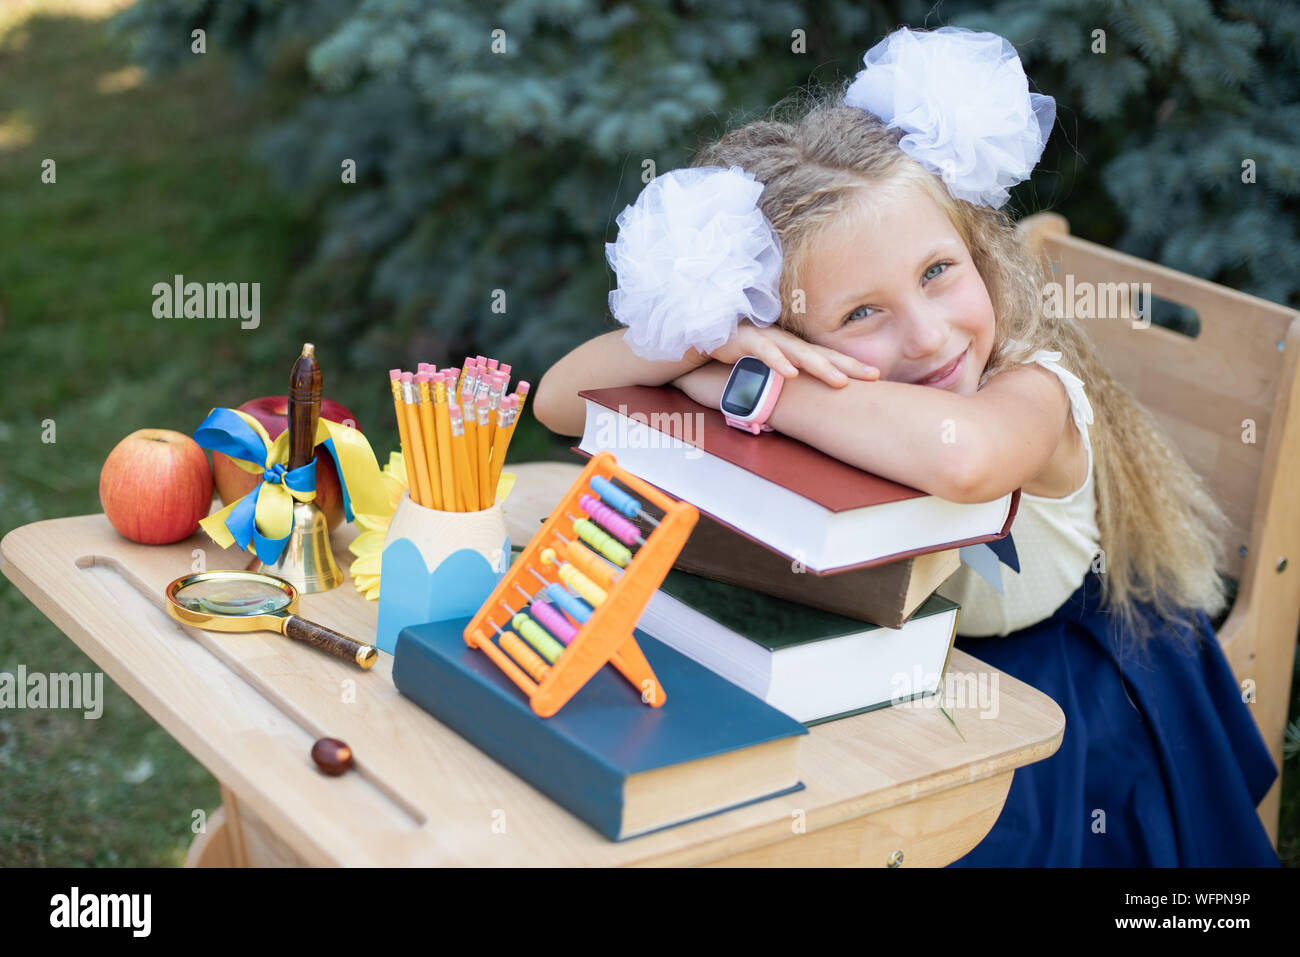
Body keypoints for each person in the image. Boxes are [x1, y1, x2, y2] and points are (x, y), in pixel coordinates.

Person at [532, 26, 1280, 866]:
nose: (926, 337)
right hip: (889, 683)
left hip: (1057, 698)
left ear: (978, 250)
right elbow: (561, 400)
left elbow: (962, 461)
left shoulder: (1034, 386)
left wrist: (746, 387)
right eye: (860, 314)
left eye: (937, 272)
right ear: (790, 329)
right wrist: (715, 340)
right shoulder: (816, 385)